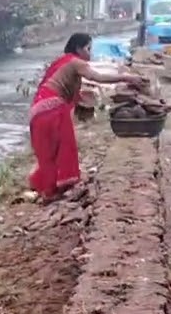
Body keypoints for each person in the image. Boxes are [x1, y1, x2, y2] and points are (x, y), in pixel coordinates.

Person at [28, 33, 143, 201]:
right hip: (52, 107)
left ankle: (46, 189)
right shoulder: (76, 62)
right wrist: (127, 77)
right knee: (65, 146)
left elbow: (66, 89)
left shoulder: (62, 61)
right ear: (78, 49)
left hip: (38, 109)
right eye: (88, 49)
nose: (90, 54)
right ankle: (59, 186)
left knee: (48, 151)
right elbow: (98, 77)